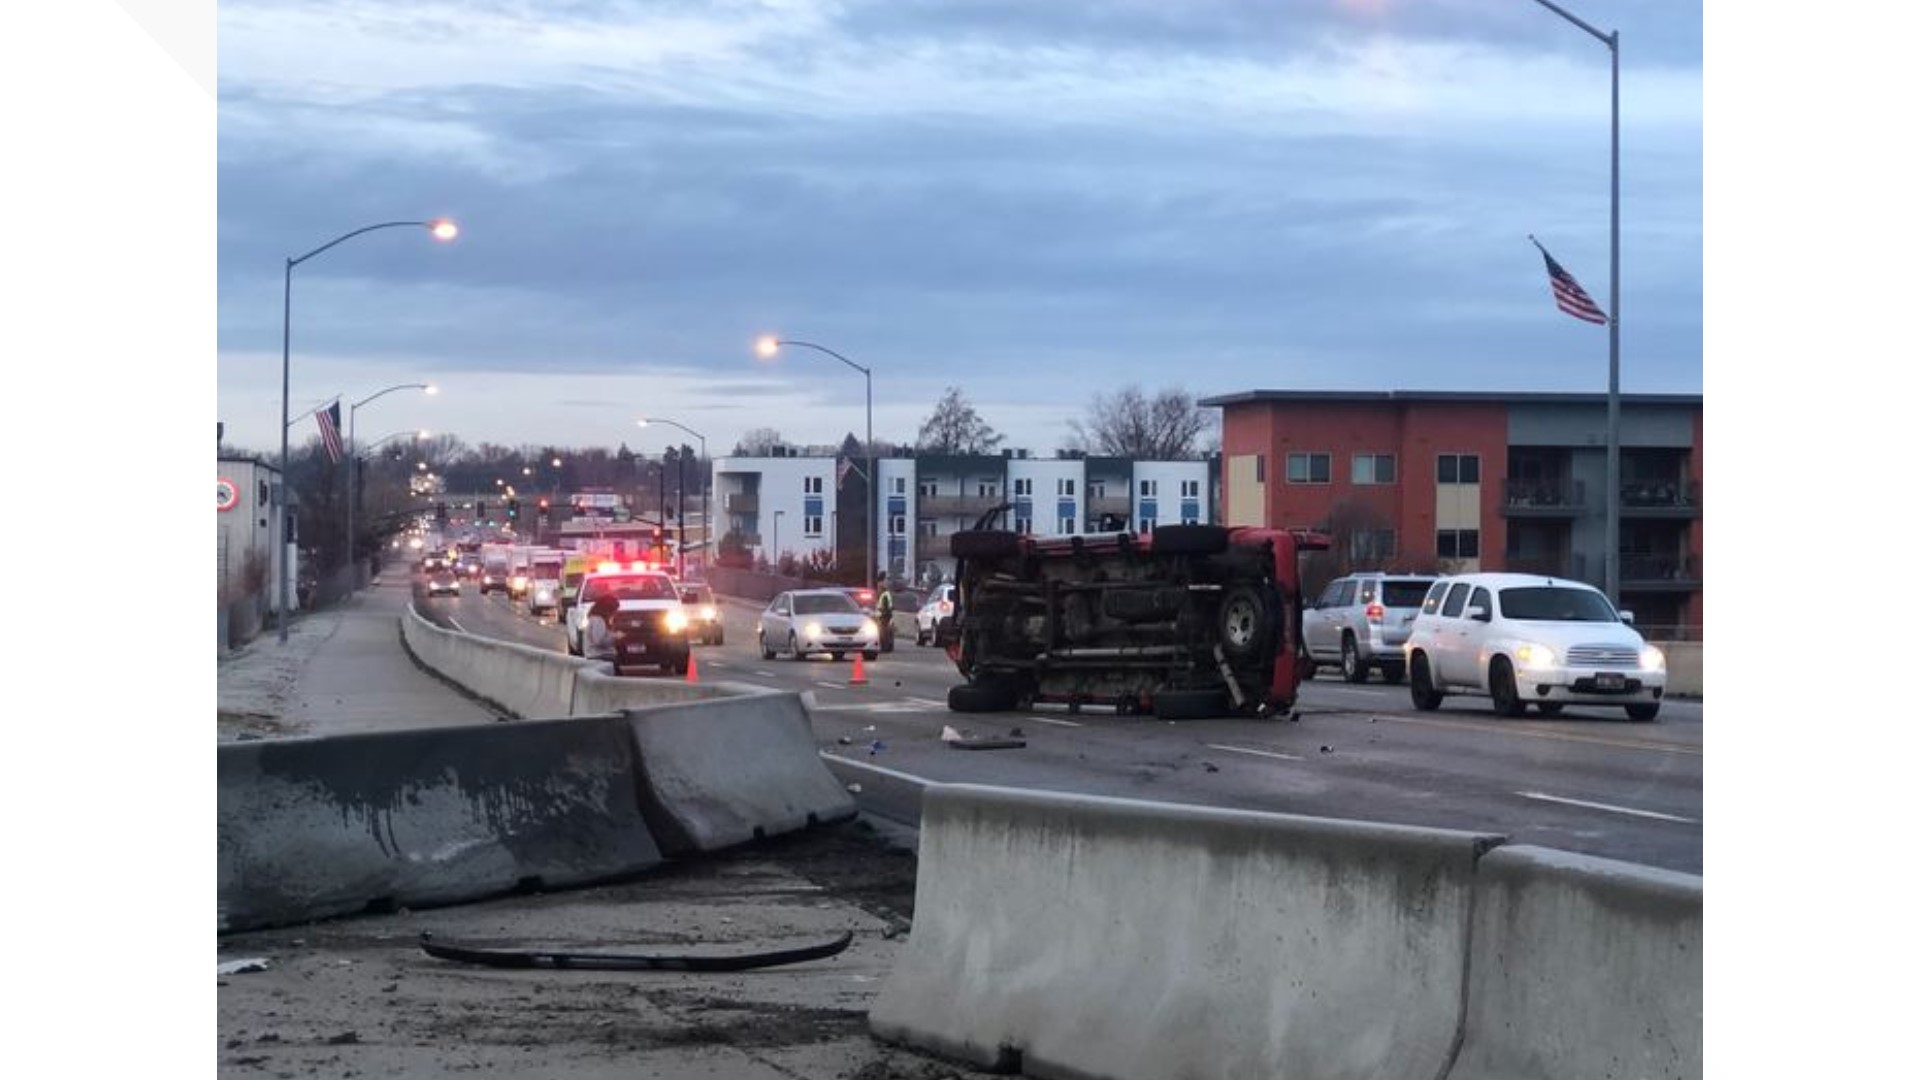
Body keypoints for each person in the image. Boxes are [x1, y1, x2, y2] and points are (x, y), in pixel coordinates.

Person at [585, 595, 619, 660]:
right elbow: (598, 641)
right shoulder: (598, 620)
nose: (615, 613)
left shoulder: (597, 619)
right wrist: (614, 636)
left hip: (600, 655)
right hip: (600, 656)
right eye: (614, 610)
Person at [876, 573, 896, 652]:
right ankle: (885, 646)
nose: (888, 582)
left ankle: (884, 646)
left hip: (883, 613)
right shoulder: (884, 591)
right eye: (886, 580)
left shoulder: (880, 589)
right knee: (884, 631)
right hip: (884, 614)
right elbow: (889, 604)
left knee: (884, 630)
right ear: (883, 580)